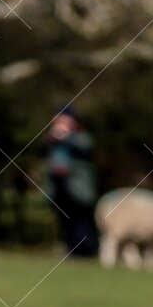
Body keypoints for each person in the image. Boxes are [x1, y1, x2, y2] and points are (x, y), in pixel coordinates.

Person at [44, 107, 99, 257]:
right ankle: (71, 251)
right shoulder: (53, 140)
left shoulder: (81, 137)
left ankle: (87, 252)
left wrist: (66, 137)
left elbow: (86, 146)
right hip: (60, 187)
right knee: (65, 221)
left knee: (82, 222)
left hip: (79, 190)